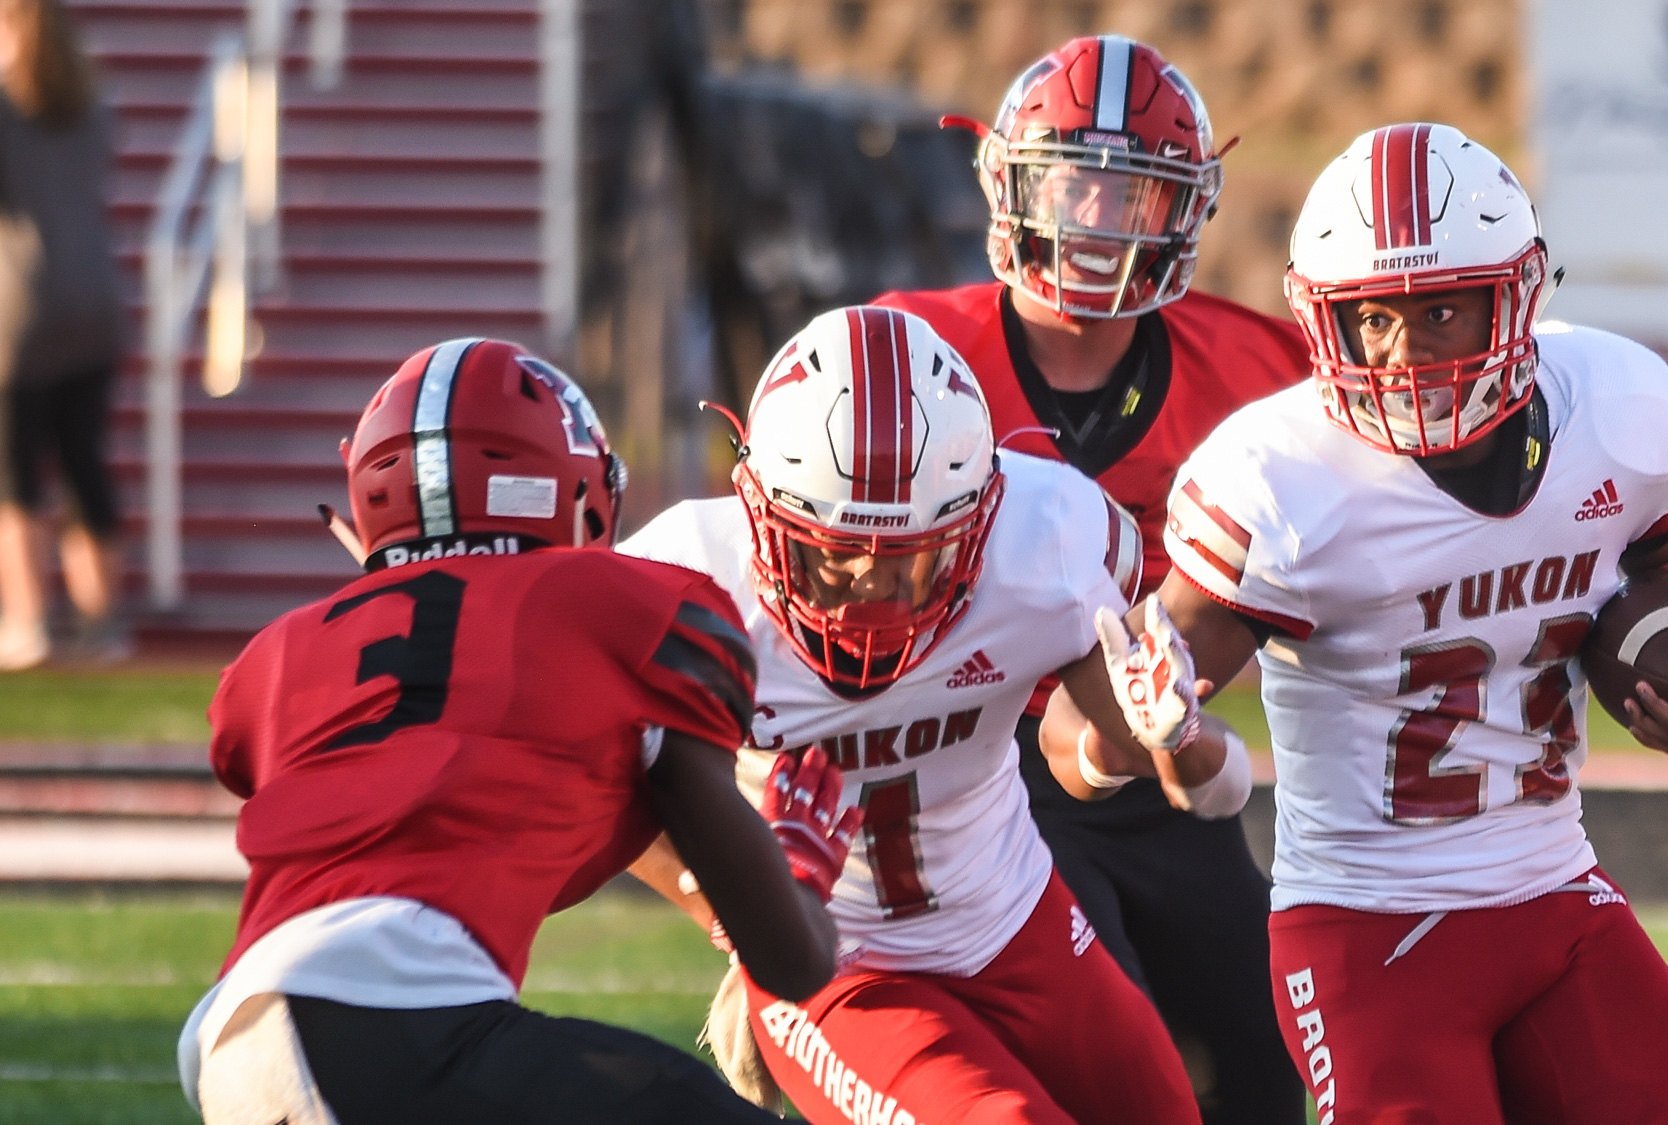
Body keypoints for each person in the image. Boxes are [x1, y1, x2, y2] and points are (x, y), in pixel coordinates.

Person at [1042, 122, 1668, 1123]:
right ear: (1323, 319)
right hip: (1369, 930)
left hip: (1555, 896)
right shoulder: (1286, 484)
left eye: (1440, 310)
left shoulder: (1613, 414)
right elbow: (1075, 733)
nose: (1404, 353)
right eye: (1372, 319)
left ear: (1516, 297)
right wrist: (1136, 733)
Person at [176, 337, 861, 1124]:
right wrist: (793, 874)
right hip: (389, 1022)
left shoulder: (280, 651)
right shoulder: (632, 609)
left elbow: (251, 746)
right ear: (574, 491)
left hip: (238, 1040)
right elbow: (792, 961)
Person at [620, 304, 1252, 1125]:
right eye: (832, 550)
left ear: (978, 520)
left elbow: (1164, 770)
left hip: (1014, 918)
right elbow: (602, 795)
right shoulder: (683, 586)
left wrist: (1183, 736)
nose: (870, 586)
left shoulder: (1042, 540)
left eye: (911, 556)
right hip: (839, 965)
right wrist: (746, 919)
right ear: (763, 515)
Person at [869, 33, 1307, 1123]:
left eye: (1132, 195)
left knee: (1269, 1060)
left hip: (1157, 757)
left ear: (1185, 211)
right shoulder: (903, 353)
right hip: (974, 764)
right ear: (1010, 185)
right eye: (1074, 187)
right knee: (1114, 1061)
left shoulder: (1259, 370)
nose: (1098, 223)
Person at [0, 0, 128, 669]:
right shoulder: (92, 101)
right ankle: (101, 620)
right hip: (95, 295)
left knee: (15, 473)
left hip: (20, 304)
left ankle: (28, 620)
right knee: (84, 464)